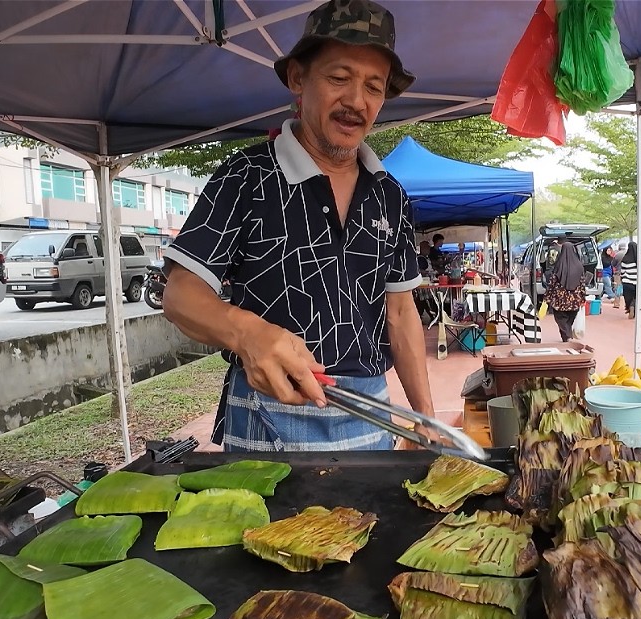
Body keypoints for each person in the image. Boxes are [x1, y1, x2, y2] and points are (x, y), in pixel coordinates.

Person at [160, 0, 436, 452]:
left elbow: (401, 313)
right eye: (338, 78)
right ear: (298, 80)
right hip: (267, 418)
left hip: (370, 415)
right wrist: (247, 333)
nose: (356, 101)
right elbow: (180, 294)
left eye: (373, 86)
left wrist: (424, 419)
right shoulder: (246, 176)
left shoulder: (391, 195)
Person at [543, 238, 588, 342]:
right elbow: (582, 284)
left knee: (560, 318)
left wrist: (547, 297)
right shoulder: (579, 266)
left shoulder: (558, 266)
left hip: (560, 300)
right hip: (574, 300)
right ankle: (567, 335)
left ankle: (566, 335)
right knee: (570, 318)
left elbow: (552, 283)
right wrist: (583, 298)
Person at [620, 241, 639, 319]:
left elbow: (622, 271)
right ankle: (633, 306)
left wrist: (622, 279)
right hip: (636, 282)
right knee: (636, 297)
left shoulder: (625, 258)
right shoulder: (638, 259)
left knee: (628, 297)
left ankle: (629, 307)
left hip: (626, 282)